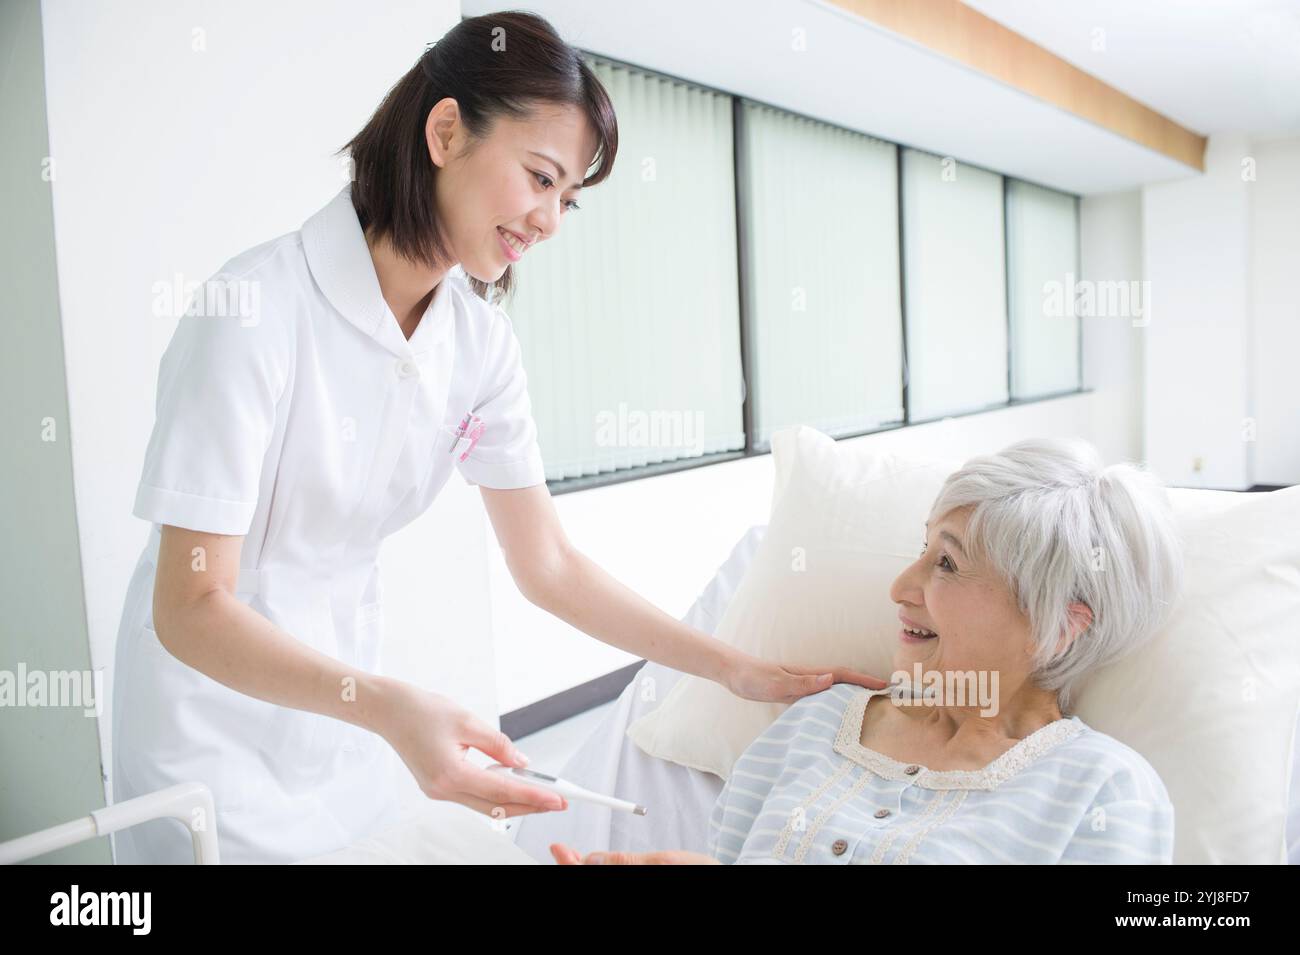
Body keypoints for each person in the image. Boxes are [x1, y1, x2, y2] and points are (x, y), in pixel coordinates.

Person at [110, 10, 885, 865]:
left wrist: (733, 669)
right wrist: (390, 707)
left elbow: (547, 564)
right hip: (212, 738)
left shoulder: (478, 345)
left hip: (344, 737)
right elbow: (189, 607)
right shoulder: (254, 311)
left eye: (568, 197)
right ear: (446, 131)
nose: (550, 219)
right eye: (540, 177)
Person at [552, 438, 1184, 864]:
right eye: (922, 549)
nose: (901, 588)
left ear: (1056, 627)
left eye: (946, 563)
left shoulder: (1105, 792)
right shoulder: (818, 722)